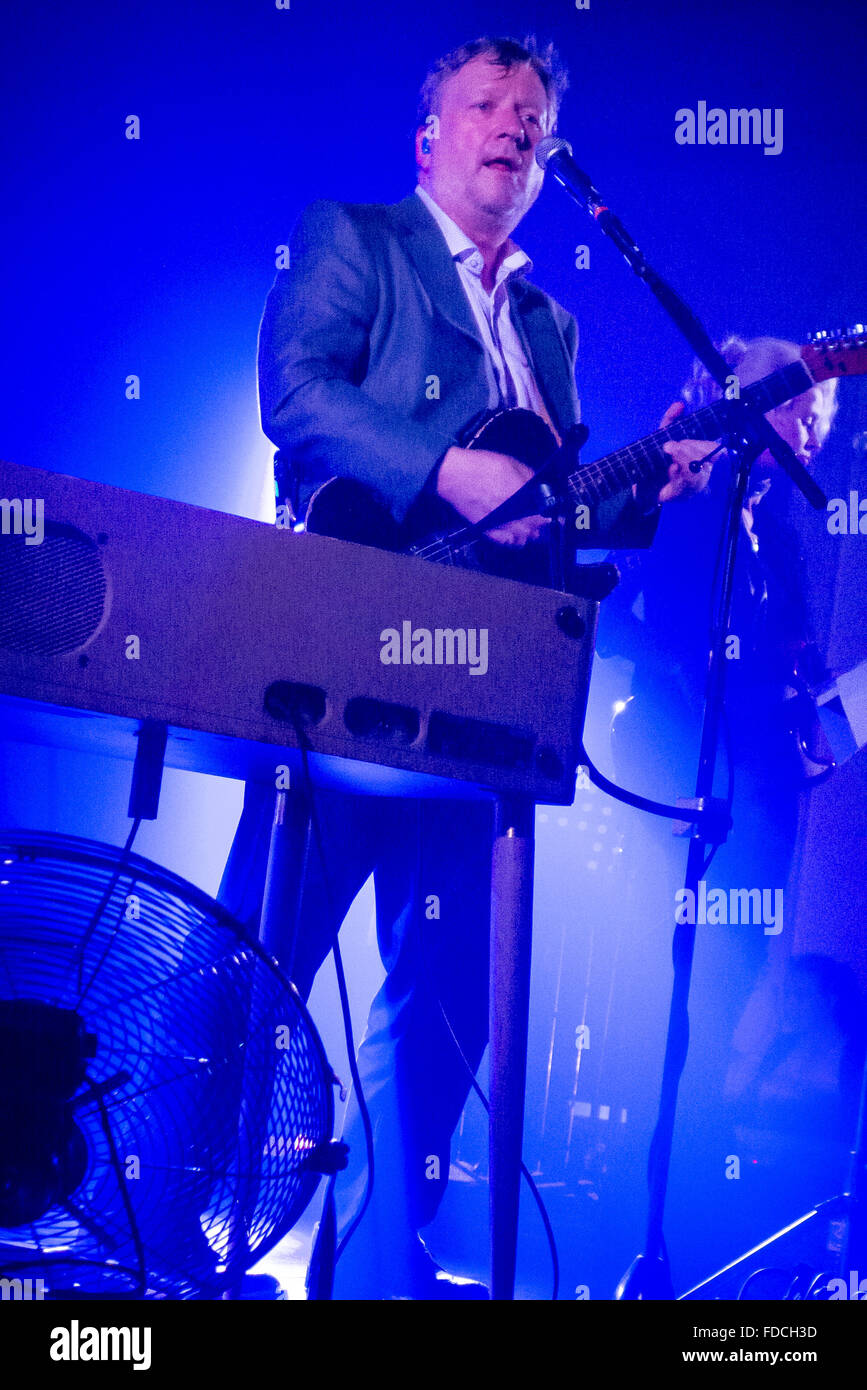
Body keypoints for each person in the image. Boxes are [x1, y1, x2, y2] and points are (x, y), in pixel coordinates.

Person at [218, 35, 713, 1300]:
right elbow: (296, 393)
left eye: (533, 110)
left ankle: (382, 1271)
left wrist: (659, 471)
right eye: (486, 102)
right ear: (428, 134)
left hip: (489, 704)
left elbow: (556, 509)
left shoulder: (549, 324)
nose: (515, 122)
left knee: (439, 1019)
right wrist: (445, 463)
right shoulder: (359, 241)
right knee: (246, 977)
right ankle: (152, 1239)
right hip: (341, 664)